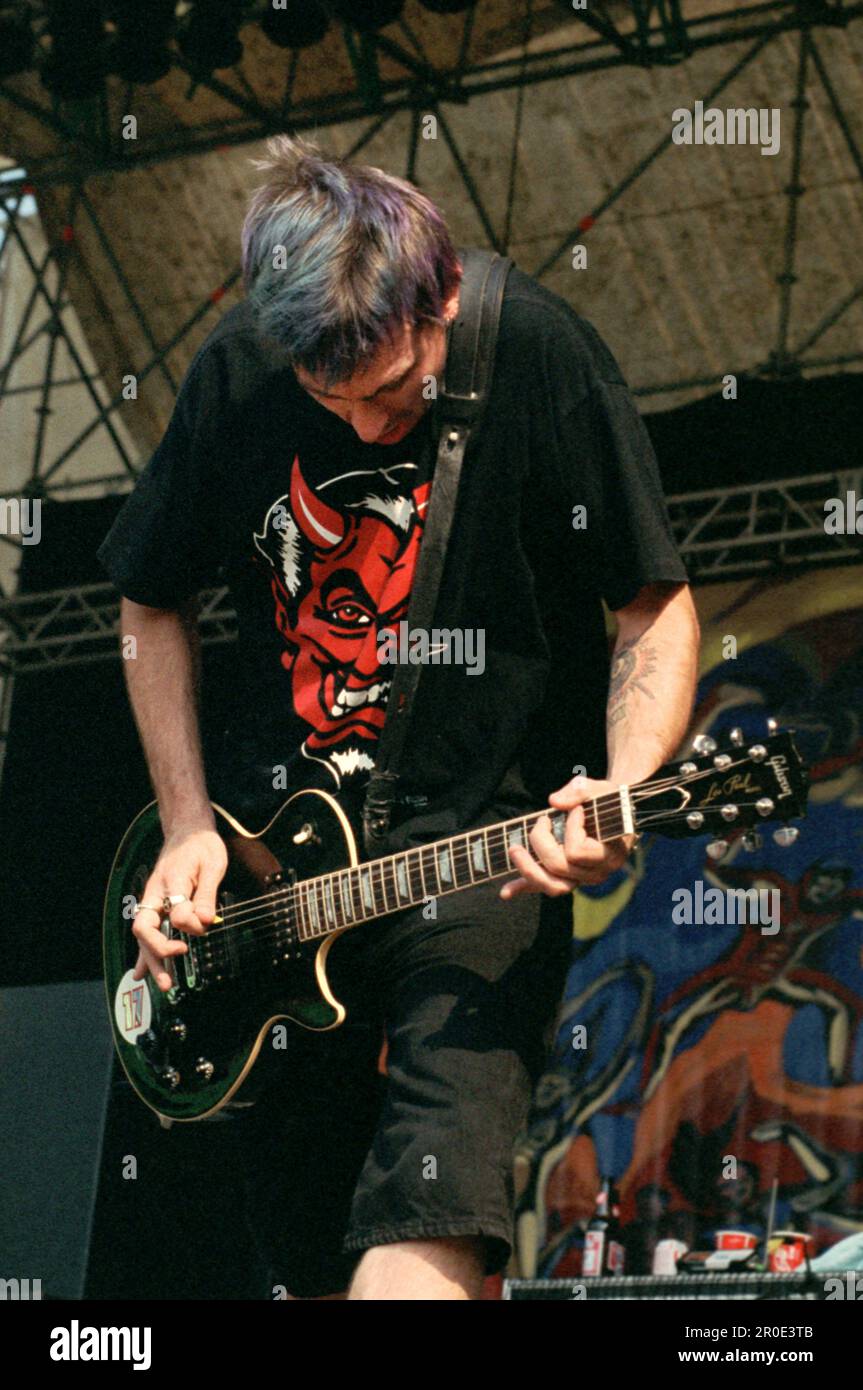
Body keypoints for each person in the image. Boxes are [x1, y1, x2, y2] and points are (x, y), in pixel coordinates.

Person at [97, 134, 700, 1301]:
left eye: (395, 392)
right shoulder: (237, 373)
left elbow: (652, 607)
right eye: (338, 401)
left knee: (425, 1227)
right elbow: (147, 600)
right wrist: (185, 826)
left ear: (445, 297)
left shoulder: (535, 353)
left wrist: (621, 782)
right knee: (312, 1258)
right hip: (275, 881)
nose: (372, 427)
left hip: (483, 856)